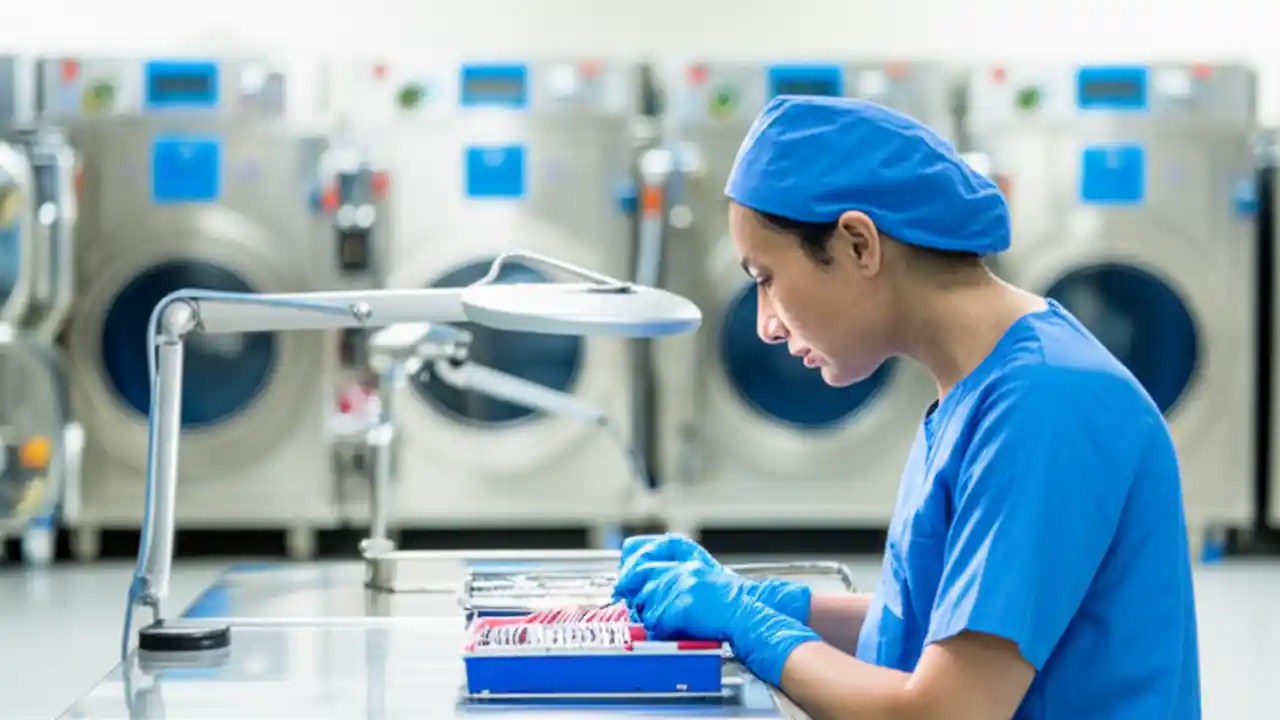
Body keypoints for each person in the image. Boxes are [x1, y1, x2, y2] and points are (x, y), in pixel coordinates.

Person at [612, 96, 1200, 719]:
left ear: (859, 244)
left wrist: (749, 626)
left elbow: (943, 711)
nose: (765, 326)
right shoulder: (981, 384)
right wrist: (761, 601)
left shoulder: (1048, 404)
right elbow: (948, 628)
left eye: (767, 279)